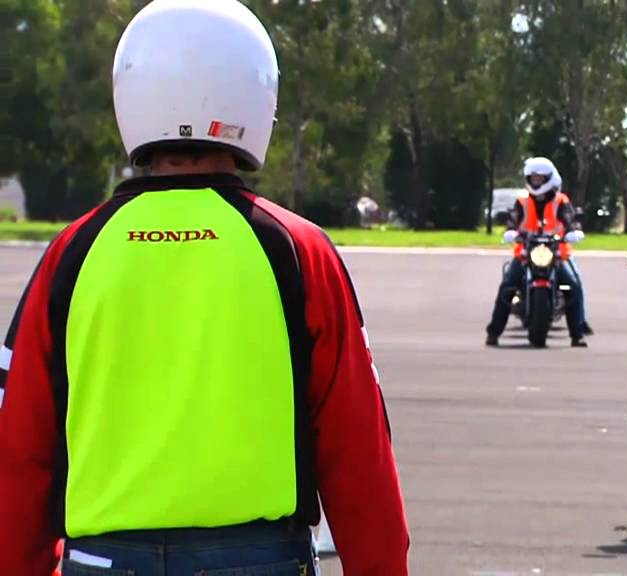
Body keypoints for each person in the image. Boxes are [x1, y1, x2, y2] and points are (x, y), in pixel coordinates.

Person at [0, 1, 408, 574]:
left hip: (102, 560)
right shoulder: (298, 248)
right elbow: (358, 450)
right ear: (254, 94)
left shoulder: (72, 253)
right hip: (258, 559)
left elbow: (19, 453)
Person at [486, 157, 588, 347]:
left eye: (540, 179)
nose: (537, 182)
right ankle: (493, 332)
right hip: (526, 252)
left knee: (573, 287)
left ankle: (578, 333)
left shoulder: (560, 201)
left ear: (548, 178)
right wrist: (510, 232)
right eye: (533, 179)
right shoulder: (522, 201)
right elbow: (513, 220)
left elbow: (569, 219)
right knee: (507, 286)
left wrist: (573, 232)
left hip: (555, 252)